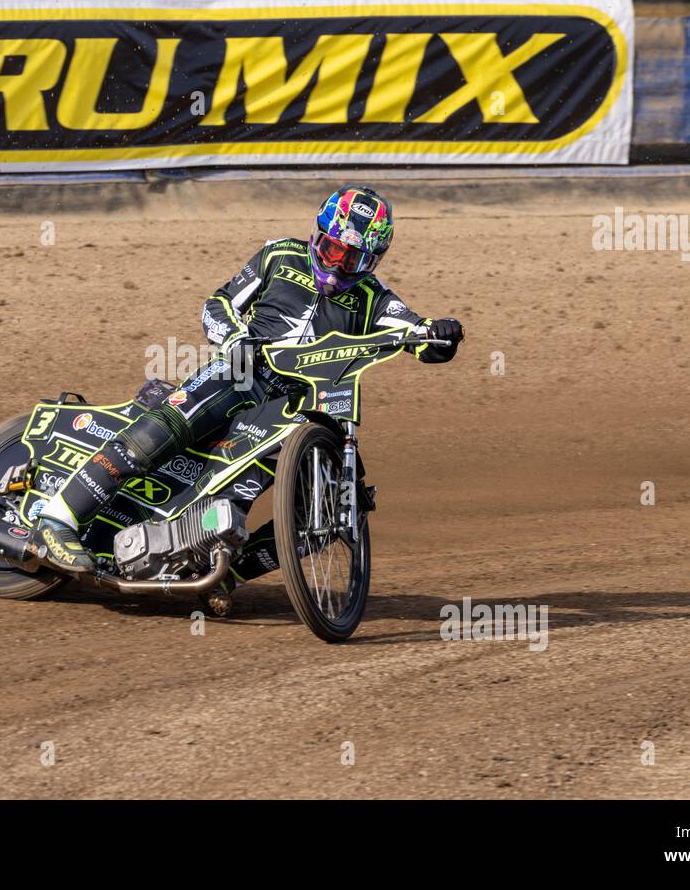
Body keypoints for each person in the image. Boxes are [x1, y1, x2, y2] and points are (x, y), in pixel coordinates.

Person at [33, 186, 464, 609]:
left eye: (352, 258)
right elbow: (216, 304)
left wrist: (441, 335)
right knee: (168, 426)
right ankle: (58, 518)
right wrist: (234, 338)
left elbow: (418, 335)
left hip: (300, 404)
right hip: (242, 372)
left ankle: (225, 573)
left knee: (329, 505)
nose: (338, 265)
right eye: (333, 251)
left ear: (372, 261)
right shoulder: (279, 255)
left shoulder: (373, 297)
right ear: (318, 234)